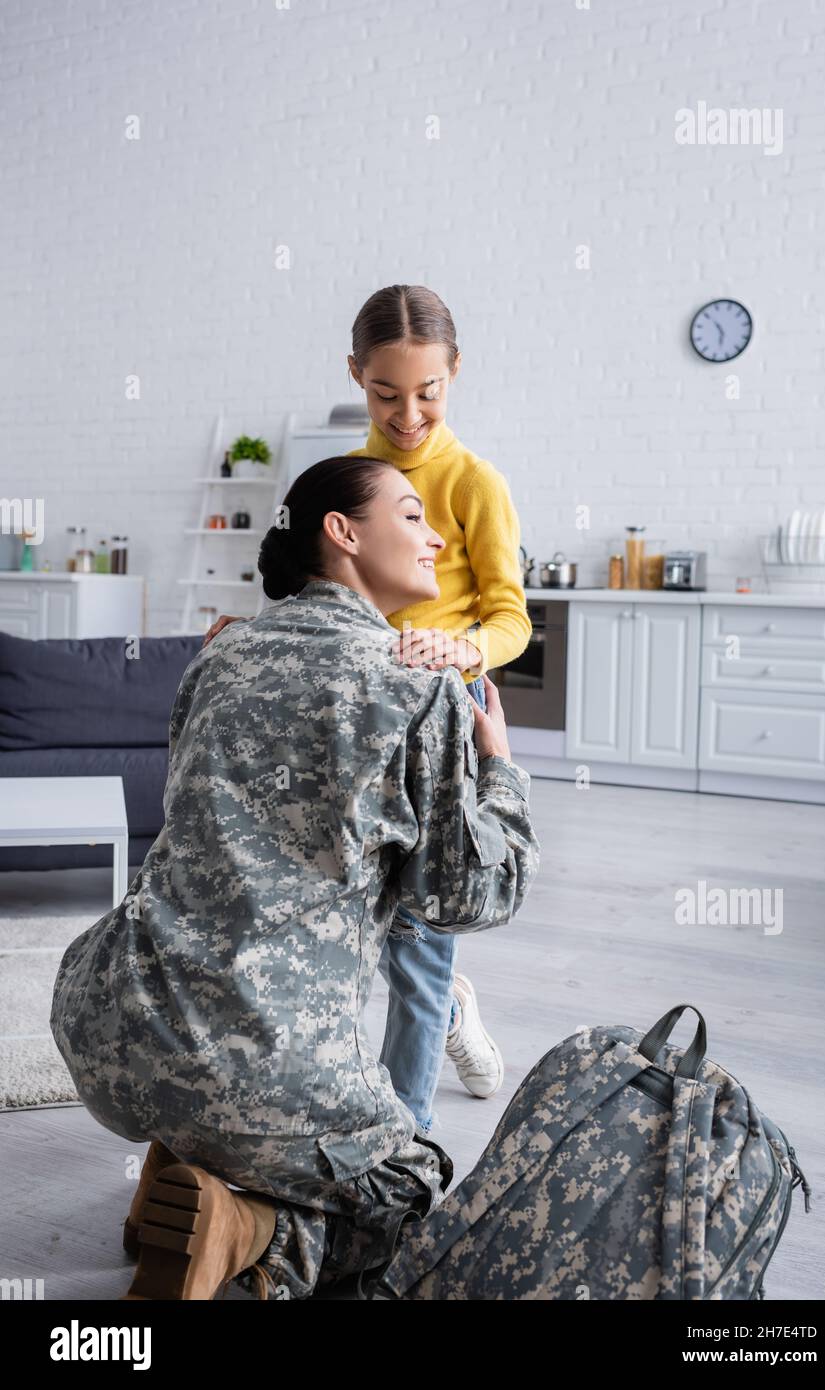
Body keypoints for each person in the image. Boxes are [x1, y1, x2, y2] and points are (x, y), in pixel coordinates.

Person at [50, 455, 541, 1300]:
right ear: (342, 532)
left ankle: (186, 1154)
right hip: (262, 1064)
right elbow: (467, 898)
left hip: (108, 1023)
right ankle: (244, 1230)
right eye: (413, 516)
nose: (435, 538)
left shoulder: (219, 653)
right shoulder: (418, 688)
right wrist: (499, 767)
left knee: (226, 1058)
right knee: (410, 1189)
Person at [207, 283, 533, 1137]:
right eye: (387, 393)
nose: (409, 414)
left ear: (454, 373)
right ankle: (440, 1013)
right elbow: (313, 587)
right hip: (349, 713)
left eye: (428, 392)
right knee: (347, 910)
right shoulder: (347, 482)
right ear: (355, 375)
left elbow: (511, 618)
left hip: (438, 704)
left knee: (418, 937)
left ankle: (403, 1142)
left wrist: (462, 649)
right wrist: (256, 632)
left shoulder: (473, 483)